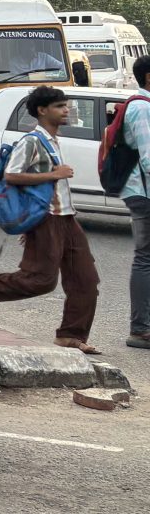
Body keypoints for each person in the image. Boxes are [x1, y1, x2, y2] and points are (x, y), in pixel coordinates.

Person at [0, 86, 101, 354]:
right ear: (42, 111)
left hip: (67, 218)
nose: (66, 110)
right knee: (41, 280)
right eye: (59, 106)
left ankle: (70, 335)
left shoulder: (53, 140)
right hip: (48, 218)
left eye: (65, 105)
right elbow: (11, 175)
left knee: (86, 280)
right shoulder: (31, 141)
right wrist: (53, 175)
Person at [120, 56, 150, 350]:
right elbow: (149, 158)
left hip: (141, 190)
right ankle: (140, 330)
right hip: (143, 193)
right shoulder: (141, 108)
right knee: (145, 258)